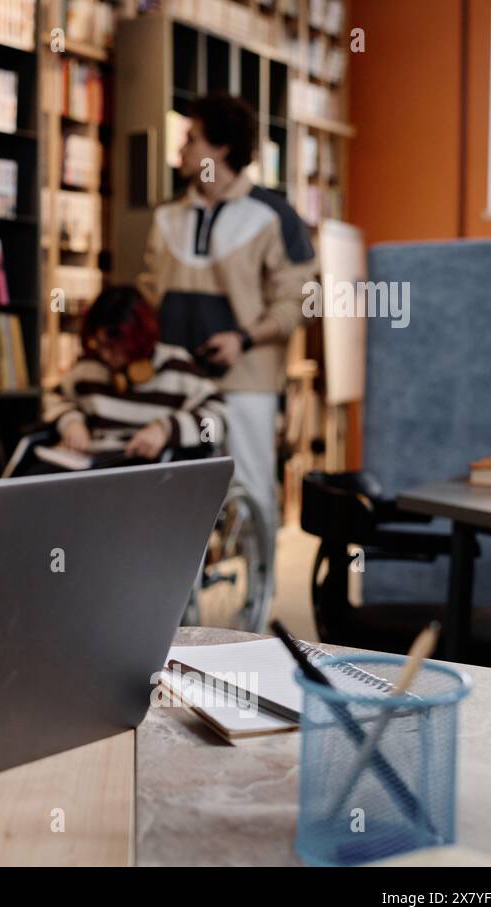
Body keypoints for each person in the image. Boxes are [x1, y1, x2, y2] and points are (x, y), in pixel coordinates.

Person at [136, 92, 316, 583]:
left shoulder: (273, 216)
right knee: (174, 493)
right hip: (176, 382)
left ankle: (261, 596)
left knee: (253, 488)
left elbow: (298, 299)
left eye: (191, 139)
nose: (181, 151)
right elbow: (149, 295)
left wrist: (244, 337)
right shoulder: (167, 216)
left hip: (247, 379)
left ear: (221, 150)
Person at [43, 284, 226, 463]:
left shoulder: (176, 366)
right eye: (100, 344)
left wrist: (167, 430)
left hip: (150, 472)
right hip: (92, 466)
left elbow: (217, 421)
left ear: (139, 340)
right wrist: (71, 422)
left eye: (115, 348)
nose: (105, 355)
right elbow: (54, 398)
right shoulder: (90, 366)